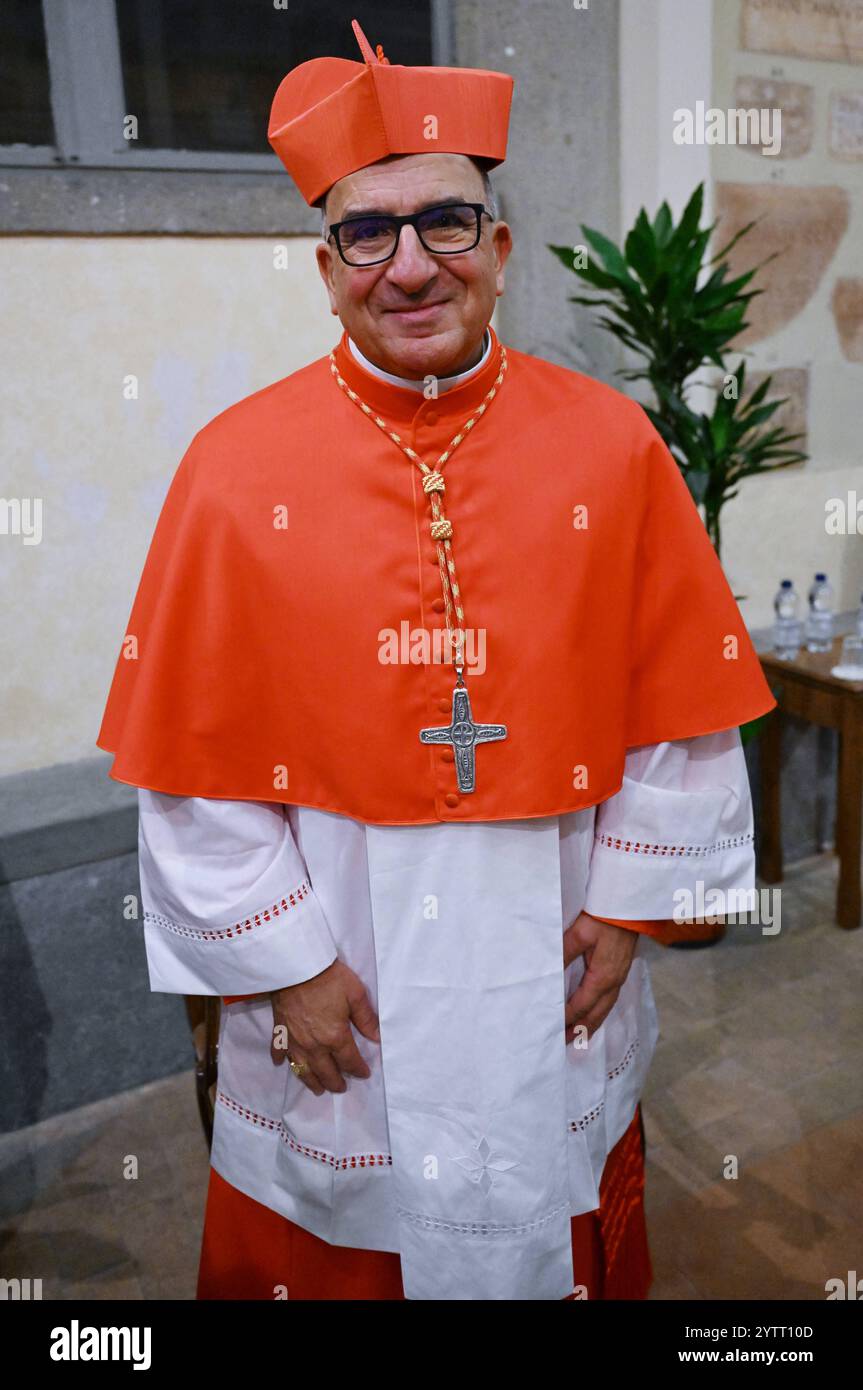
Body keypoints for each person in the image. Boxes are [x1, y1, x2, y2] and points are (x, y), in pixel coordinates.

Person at [97, 19, 776, 1301]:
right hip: (336, 973)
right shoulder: (235, 472)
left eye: (445, 223)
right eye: (369, 231)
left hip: (553, 939)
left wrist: (629, 904)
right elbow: (190, 768)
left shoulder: (612, 447)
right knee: (347, 1236)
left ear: (499, 249)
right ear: (325, 265)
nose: (409, 265)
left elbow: (677, 714)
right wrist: (283, 965)